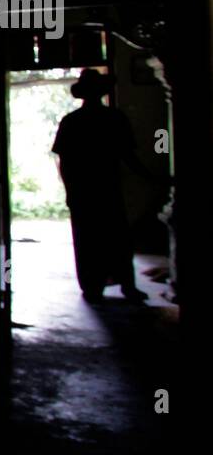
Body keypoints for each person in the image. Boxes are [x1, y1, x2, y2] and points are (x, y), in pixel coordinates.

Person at [51, 68, 153, 304]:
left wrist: (69, 191)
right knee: (117, 238)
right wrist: (150, 177)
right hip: (108, 189)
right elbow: (129, 157)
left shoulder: (72, 122)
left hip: (84, 191)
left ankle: (92, 285)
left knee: (88, 241)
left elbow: (64, 163)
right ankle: (127, 285)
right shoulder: (115, 119)